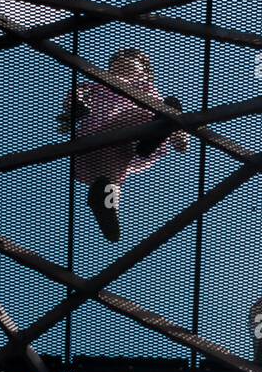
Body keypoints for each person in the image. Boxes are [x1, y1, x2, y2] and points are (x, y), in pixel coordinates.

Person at [59, 48, 190, 243]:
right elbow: (76, 95)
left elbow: (169, 110)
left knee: (168, 108)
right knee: (113, 172)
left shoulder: (147, 88)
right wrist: (75, 107)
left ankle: (108, 204)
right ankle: (108, 203)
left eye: (129, 57)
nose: (121, 58)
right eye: (116, 59)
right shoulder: (97, 83)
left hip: (127, 135)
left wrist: (180, 136)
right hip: (103, 133)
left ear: (145, 71)